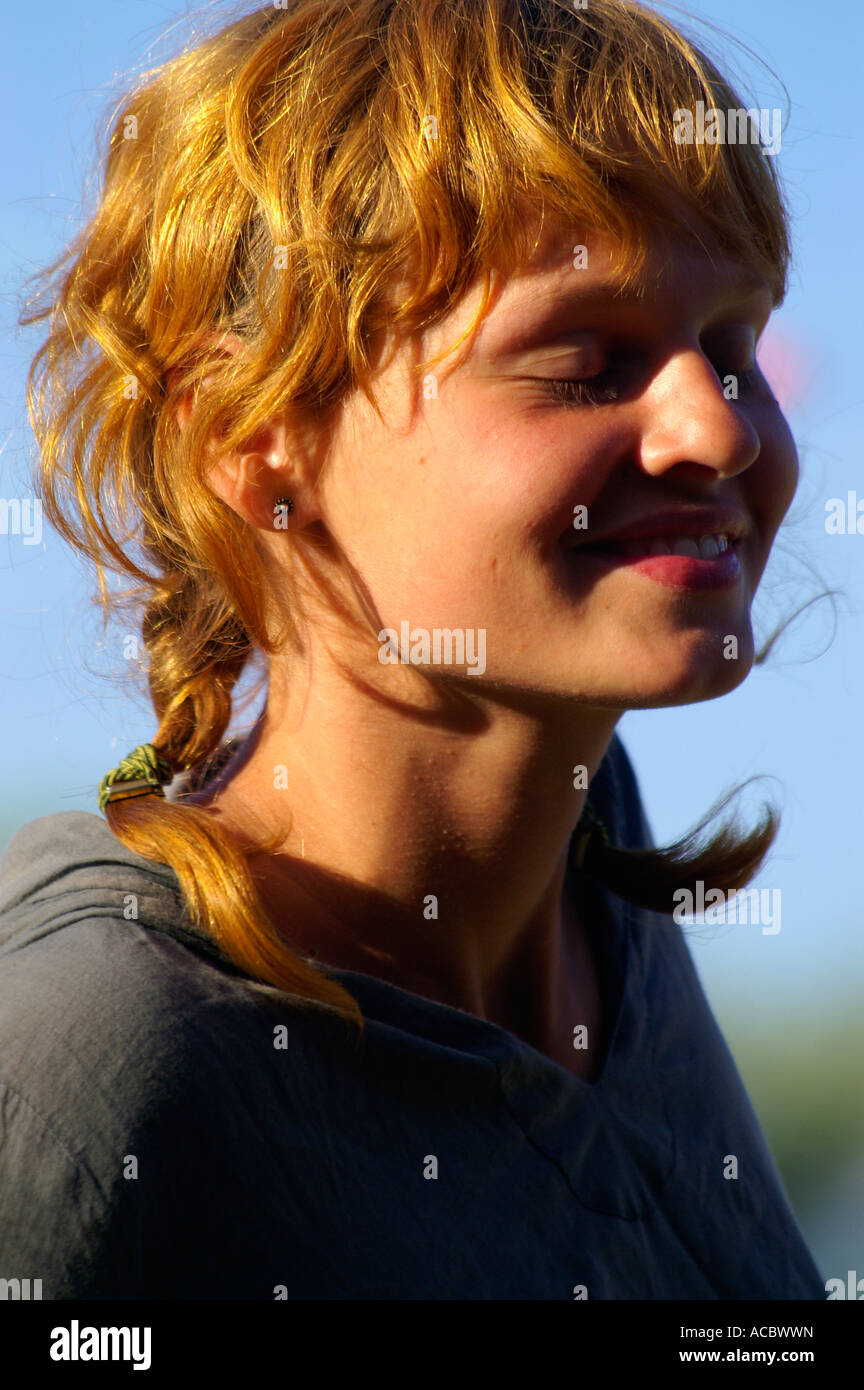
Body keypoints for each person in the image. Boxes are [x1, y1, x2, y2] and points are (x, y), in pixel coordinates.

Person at [0, 0, 824, 1299]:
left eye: (731, 346)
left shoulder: (593, 885)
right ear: (254, 437)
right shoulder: (92, 1073)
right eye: (588, 359)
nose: (716, 435)